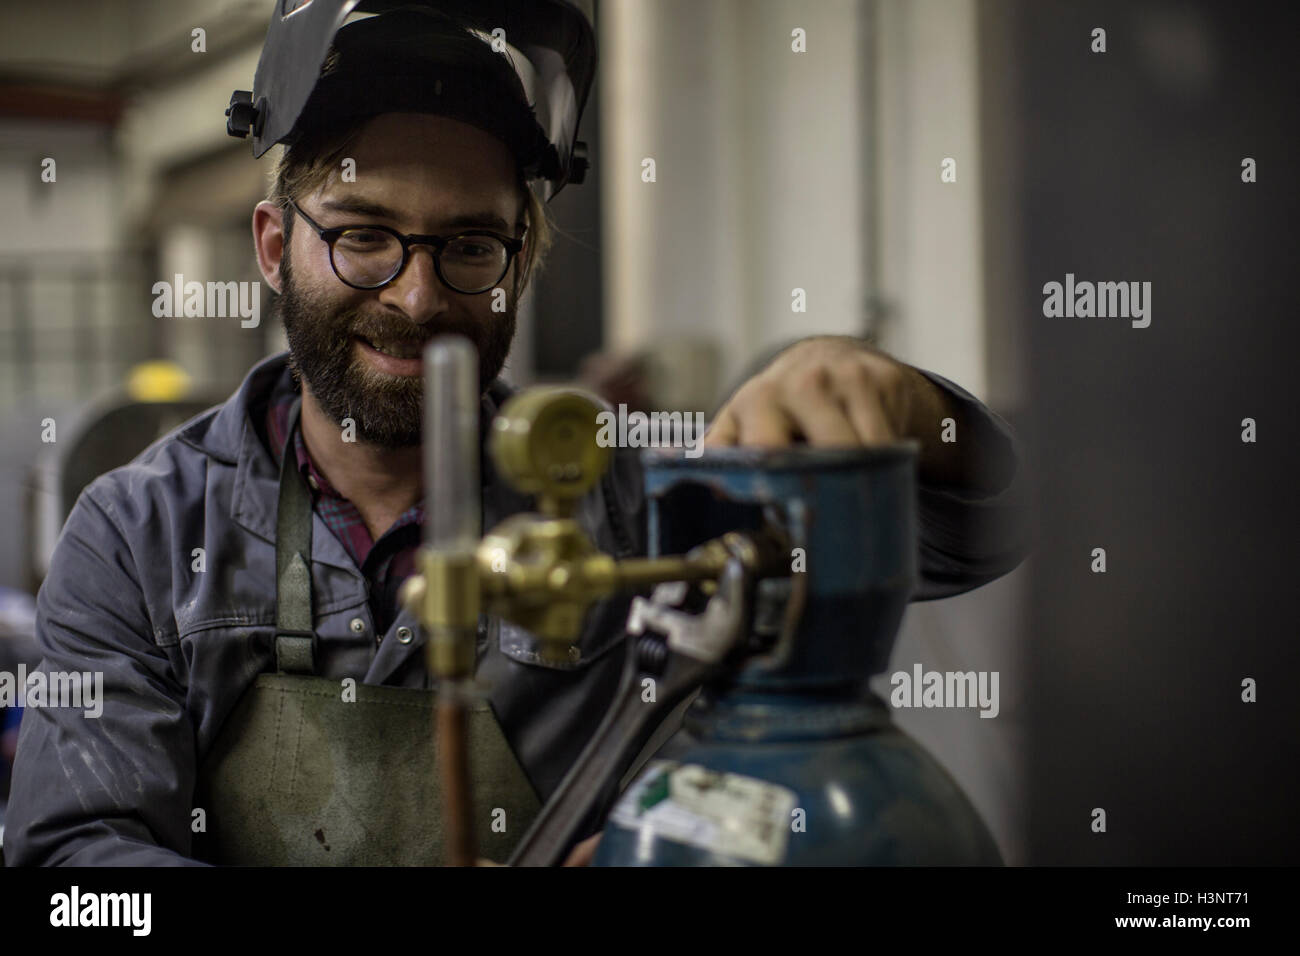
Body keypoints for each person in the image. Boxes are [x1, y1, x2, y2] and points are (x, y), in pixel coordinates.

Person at [4, 6, 1027, 866]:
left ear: (519, 262)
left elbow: (983, 529)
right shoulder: (139, 534)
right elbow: (74, 869)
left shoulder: (631, 500)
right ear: (274, 246)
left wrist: (906, 406)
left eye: (468, 244)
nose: (414, 296)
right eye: (362, 234)